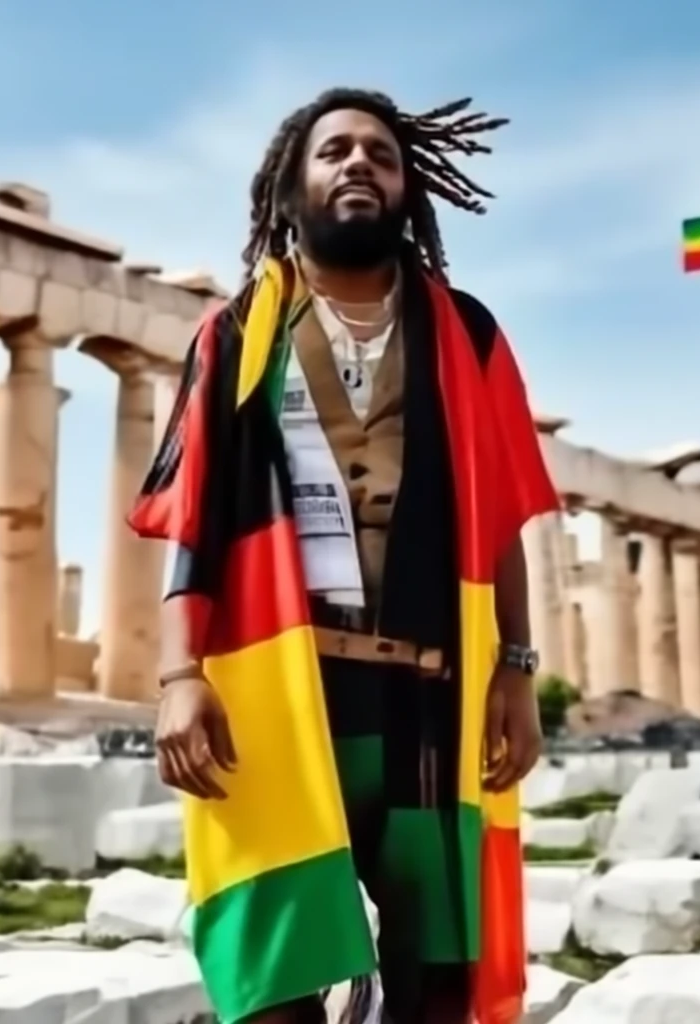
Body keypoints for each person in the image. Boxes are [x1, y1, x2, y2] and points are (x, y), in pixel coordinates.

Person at [128, 87, 559, 1024]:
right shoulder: (234, 334)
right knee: (273, 989)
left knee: (438, 988)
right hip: (274, 704)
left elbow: (501, 521)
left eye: (381, 153)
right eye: (334, 151)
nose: (360, 162)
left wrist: (517, 670)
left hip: (431, 707)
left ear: (407, 192)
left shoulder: (469, 333)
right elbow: (195, 521)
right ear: (290, 191)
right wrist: (179, 676)